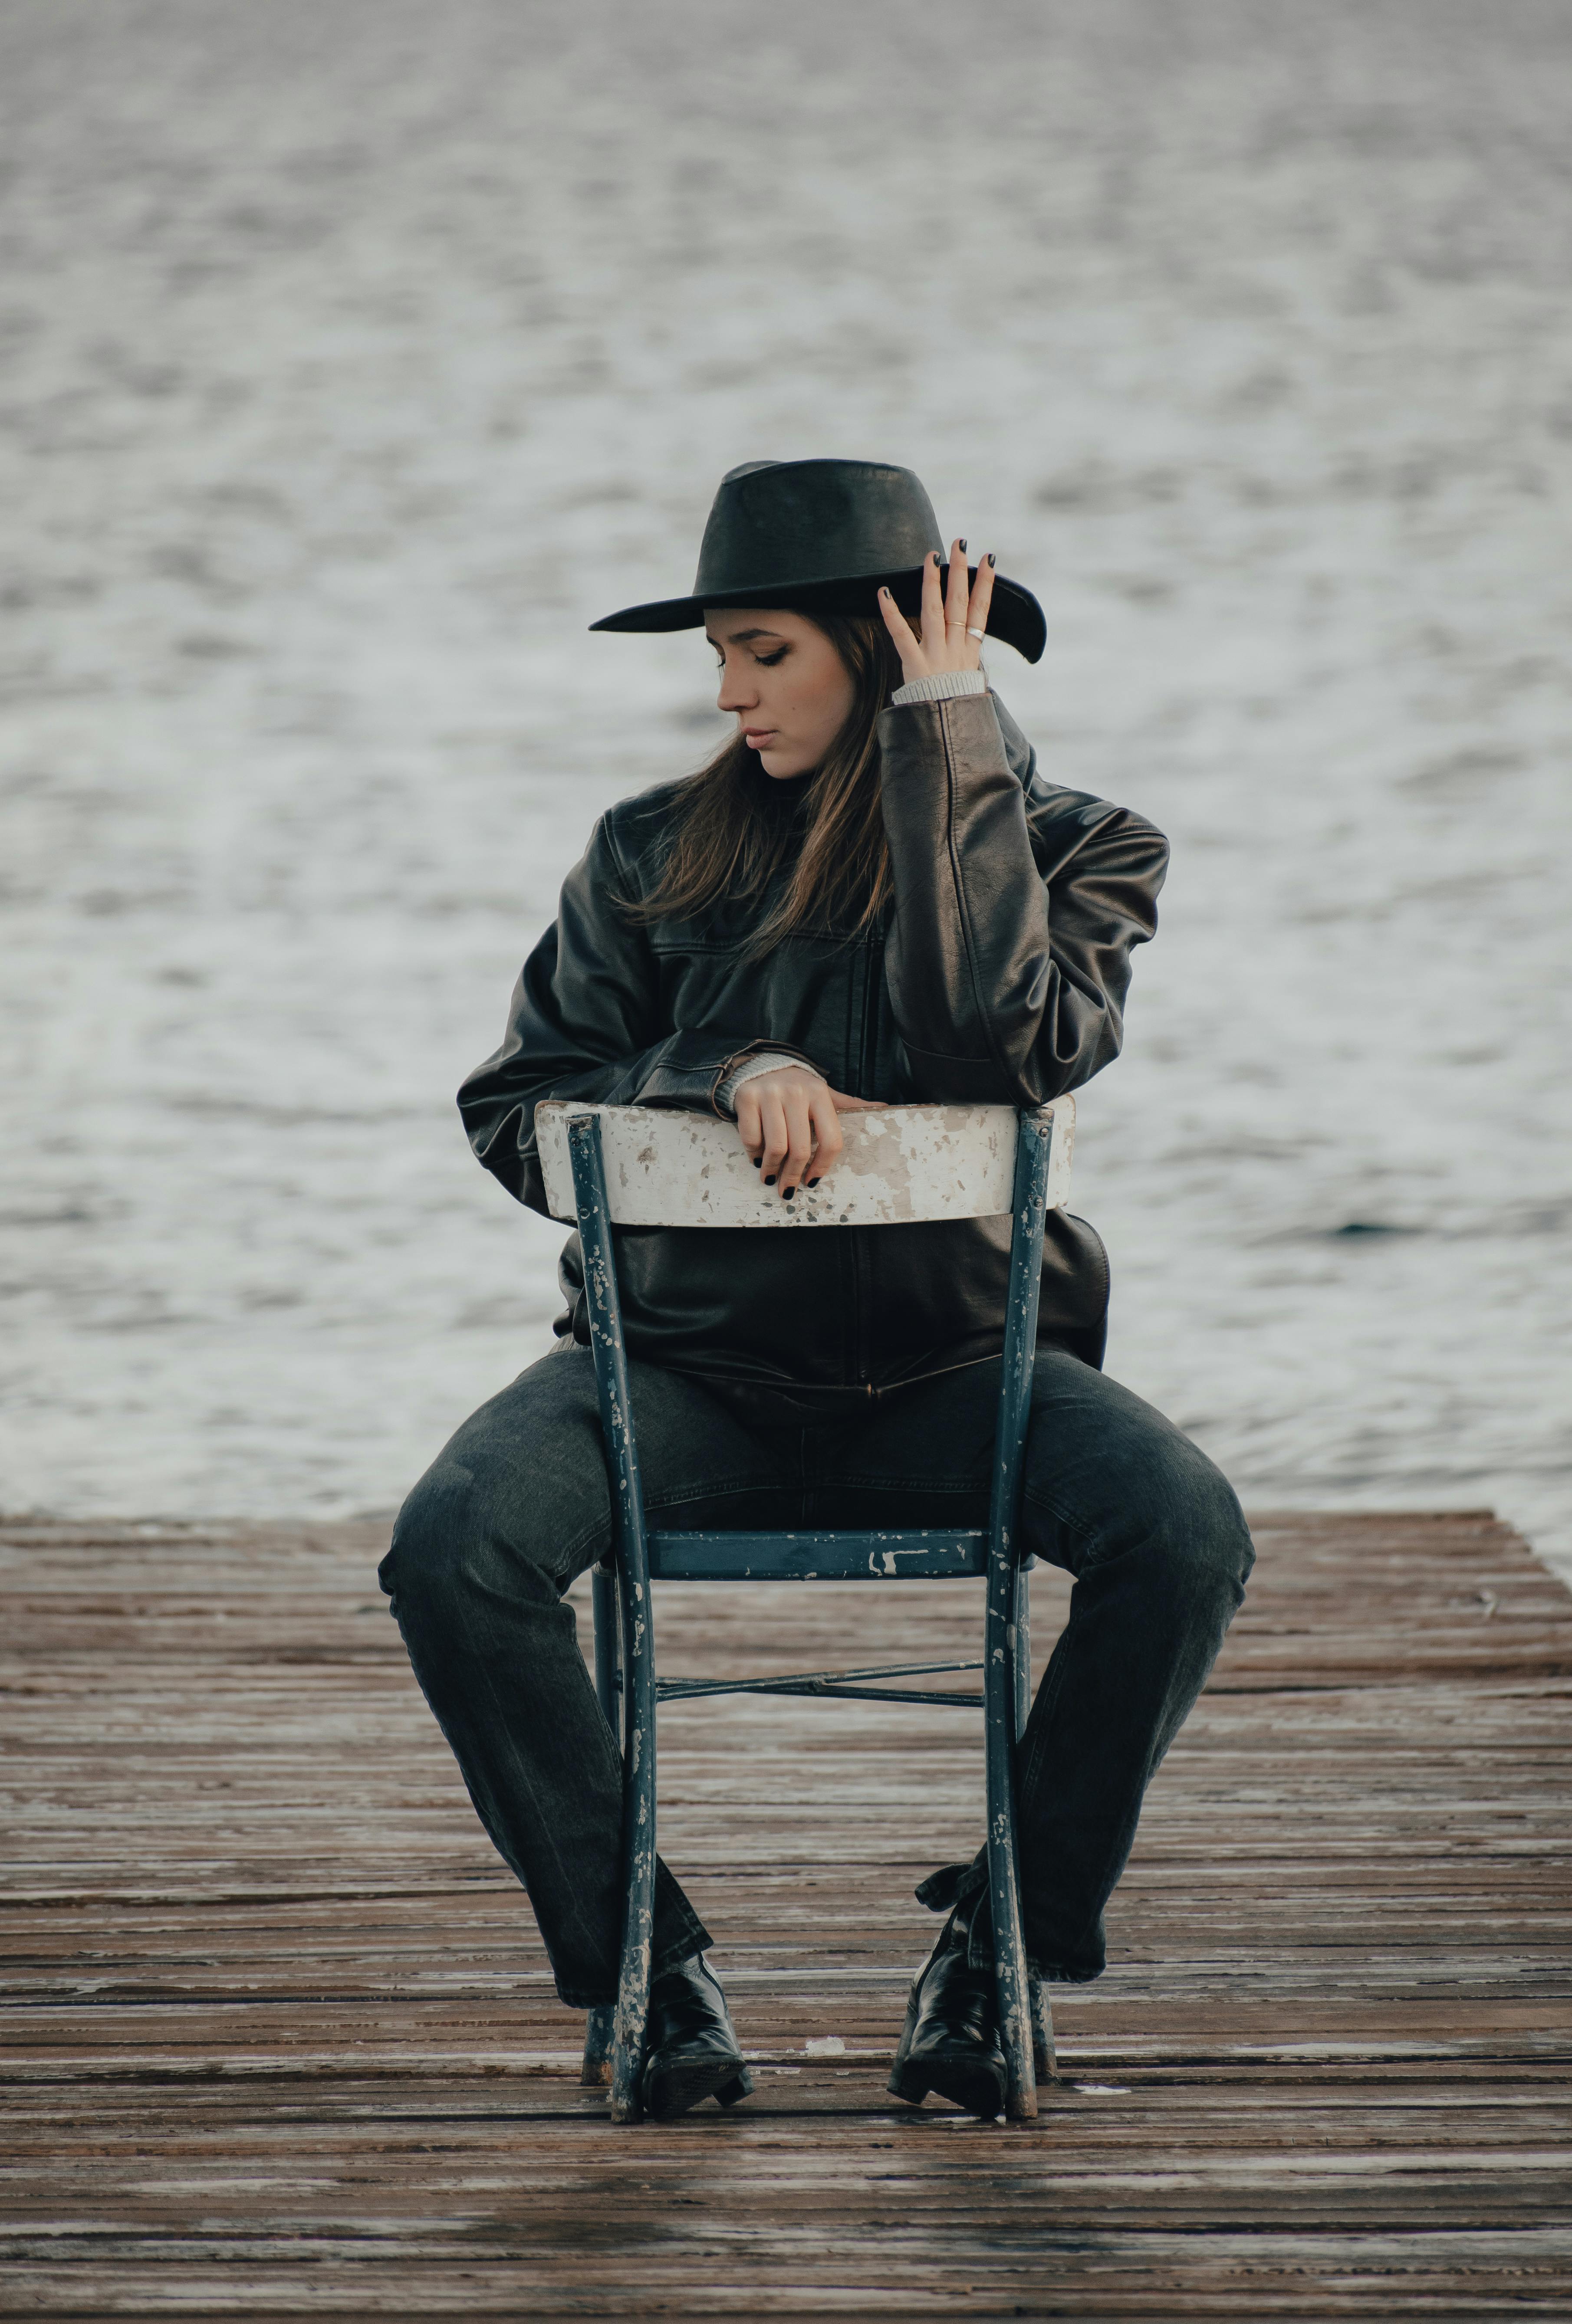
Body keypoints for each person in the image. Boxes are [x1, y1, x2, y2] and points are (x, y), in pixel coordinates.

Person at [379, 458, 1254, 2121]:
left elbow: (991, 1041)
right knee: (453, 1549)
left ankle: (1000, 1940)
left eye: (765, 650)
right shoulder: (649, 851)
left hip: (958, 1379)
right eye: (719, 651)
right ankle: (645, 1958)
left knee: (1186, 1532)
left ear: (880, 643)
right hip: (677, 1378)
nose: (729, 692)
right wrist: (724, 1064)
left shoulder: (1086, 848)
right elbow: (519, 1105)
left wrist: (948, 734)